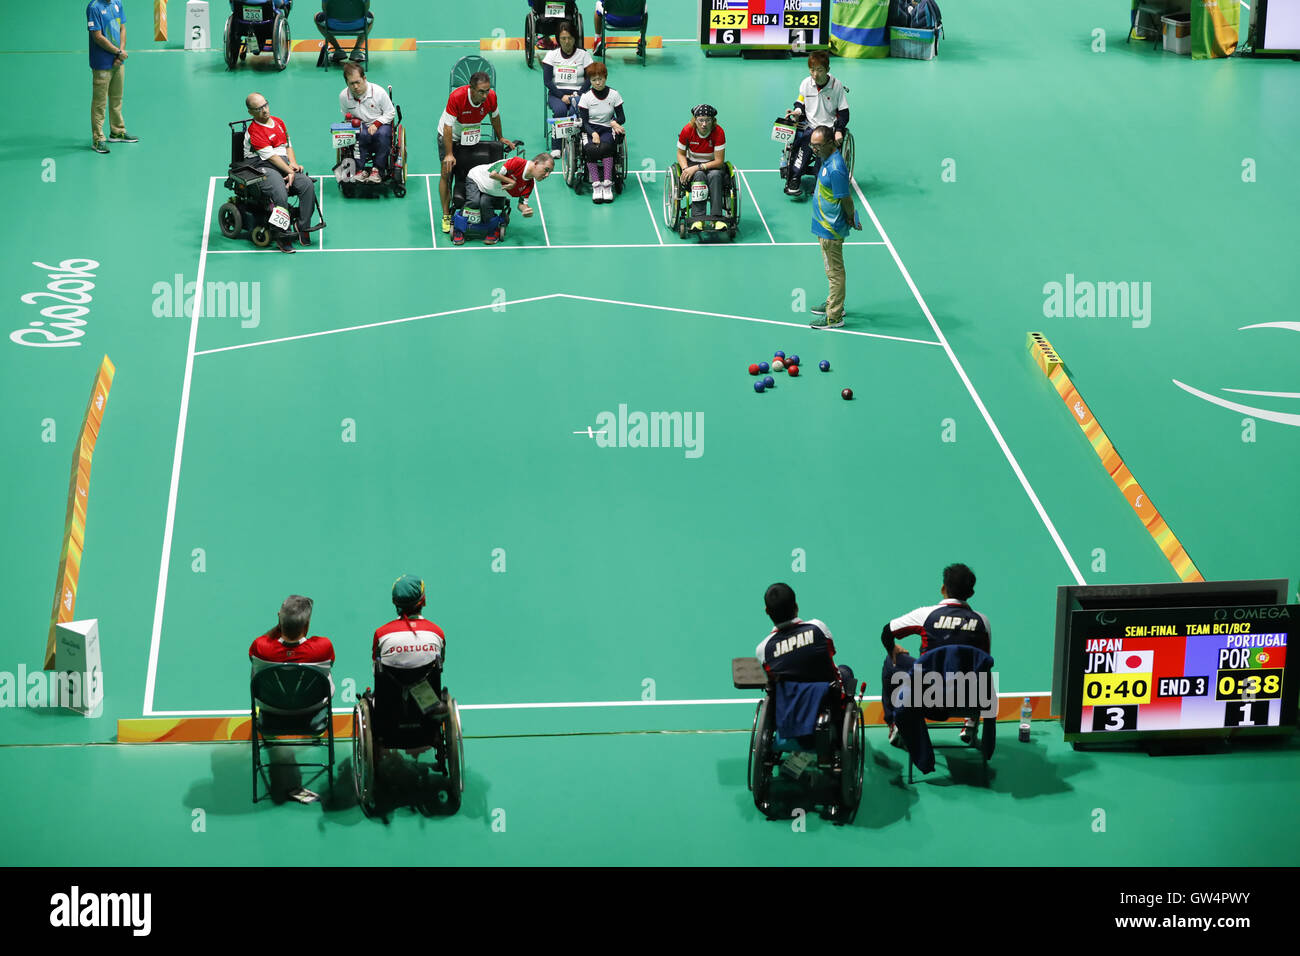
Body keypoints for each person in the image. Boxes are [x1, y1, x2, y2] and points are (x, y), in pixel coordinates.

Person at [880, 563, 991, 747]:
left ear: (943, 589)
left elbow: (887, 632)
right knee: (978, 672)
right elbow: (984, 662)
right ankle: (971, 722)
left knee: (890, 662)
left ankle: (894, 723)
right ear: (971, 594)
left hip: (926, 698)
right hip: (969, 699)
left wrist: (892, 649)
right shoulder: (983, 622)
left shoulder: (926, 615)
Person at [249, 594, 335, 803]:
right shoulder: (322, 647)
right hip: (313, 715)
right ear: (307, 625)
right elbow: (330, 662)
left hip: (272, 714)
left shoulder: (262, 647)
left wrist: (280, 626)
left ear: (279, 620)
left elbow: (255, 649)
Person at [755, 583, 856, 736]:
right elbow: (829, 655)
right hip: (825, 701)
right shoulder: (818, 628)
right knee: (845, 671)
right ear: (796, 606)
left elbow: (772, 680)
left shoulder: (763, 650)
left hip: (790, 708)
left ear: (767, 611)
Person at [243, 93, 320, 254]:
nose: (264, 110)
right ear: (251, 112)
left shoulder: (279, 122)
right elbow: (270, 157)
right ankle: (281, 234)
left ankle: (302, 226)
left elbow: (288, 147)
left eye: (265, 105)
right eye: (259, 108)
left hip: (282, 164)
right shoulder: (254, 131)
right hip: (261, 166)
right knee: (279, 191)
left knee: (306, 184)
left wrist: (293, 164)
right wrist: (289, 171)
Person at [437, 72, 512, 234]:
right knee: (447, 173)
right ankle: (446, 215)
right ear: (471, 89)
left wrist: (501, 137)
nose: (485, 95)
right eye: (481, 91)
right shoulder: (457, 97)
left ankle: (478, 207)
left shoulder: (491, 97)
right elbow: (447, 127)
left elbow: (495, 117)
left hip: (471, 137)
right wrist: (449, 154)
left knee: (472, 171)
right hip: (451, 137)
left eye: (487, 90)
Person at [807, 125, 862, 328]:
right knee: (832, 271)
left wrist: (851, 217)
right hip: (824, 225)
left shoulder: (836, 168)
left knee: (835, 273)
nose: (814, 149)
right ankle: (834, 302)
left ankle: (834, 316)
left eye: (818, 146)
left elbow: (846, 199)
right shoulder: (827, 158)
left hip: (830, 229)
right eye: (812, 145)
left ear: (831, 143)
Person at [373, 575, 448, 718]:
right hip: (427, 705)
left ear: (395, 603)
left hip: (390, 708)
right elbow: (440, 665)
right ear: (423, 601)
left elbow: (376, 667)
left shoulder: (381, 634)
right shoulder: (437, 632)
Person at [783, 51, 849, 197]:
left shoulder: (836, 86)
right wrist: (797, 111)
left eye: (819, 70)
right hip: (810, 125)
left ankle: (820, 182)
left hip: (829, 128)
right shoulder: (806, 83)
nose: (815, 74)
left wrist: (838, 130)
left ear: (827, 70)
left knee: (822, 146)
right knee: (804, 140)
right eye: (812, 70)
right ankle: (794, 177)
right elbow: (800, 102)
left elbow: (844, 113)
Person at [456, 152, 554, 245]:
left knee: (485, 203)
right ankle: (459, 229)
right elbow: (493, 174)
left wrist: (525, 210)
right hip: (477, 179)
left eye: (550, 172)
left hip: (491, 191)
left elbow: (522, 204)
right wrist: (512, 182)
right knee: (474, 202)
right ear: (536, 163)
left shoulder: (529, 184)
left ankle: (493, 229)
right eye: (546, 169)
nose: (547, 175)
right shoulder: (517, 162)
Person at [87, 0, 138, 154]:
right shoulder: (94, 7)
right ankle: (98, 139)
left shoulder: (117, 3)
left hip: (117, 61)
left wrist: (120, 53)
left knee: (117, 98)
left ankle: (117, 131)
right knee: (99, 104)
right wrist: (117, 52)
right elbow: (97, 37)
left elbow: (122, 28)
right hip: (102, 63)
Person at [576, 62, 625, 204]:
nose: (598, 83)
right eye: (594, 80)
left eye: (600, 79)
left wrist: (614, 122)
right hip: (590, 128)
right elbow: (584, 122)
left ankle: (607, 184)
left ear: (605, 77)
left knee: (607, 148)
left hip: (607, 127)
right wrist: (593, 133)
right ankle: (597, 185)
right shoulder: (586, 97)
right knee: (591, 150)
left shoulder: (614, 95)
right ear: (589, 81)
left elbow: (622, 117)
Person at [542, 20, 593, 157]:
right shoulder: (551, 56)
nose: (566, 42)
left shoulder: (584, 55)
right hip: (557, 94)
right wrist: (561, 96)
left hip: (578, 93)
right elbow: (547, 81)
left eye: (569, 38)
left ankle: (577, 145)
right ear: (558, 39)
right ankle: (557, 146)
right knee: (560, 111)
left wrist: (578, 94)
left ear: (574, 38)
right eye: (563, 38)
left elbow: (590, 78)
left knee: (574, 111)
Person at [338, 61, 395, 183]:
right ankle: (360, 170)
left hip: (380, 123)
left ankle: (377, 170)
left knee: (383, 134)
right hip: (360, 125)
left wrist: (377, 124)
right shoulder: (343, 96)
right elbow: (345, 114)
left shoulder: (379, 93)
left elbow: (390, 113)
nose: (355, 87)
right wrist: (352, 121)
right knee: (360, 133)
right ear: (346, 83)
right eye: (351, 84)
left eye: (358, 82)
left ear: (364, 78)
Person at [675, 104, 729, 233]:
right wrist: (685, 169)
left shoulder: (719, 132)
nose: (704, 124)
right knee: (699, 176)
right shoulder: (687, 130)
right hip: (692, 163)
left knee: (715, 176)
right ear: (695, 120)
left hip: (713, 165)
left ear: (713, 121)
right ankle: (698, 219)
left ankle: (717, 219)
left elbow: (719, 161)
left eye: (708, 120)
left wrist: (698, 167)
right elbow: (681, 154)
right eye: (701, 120)